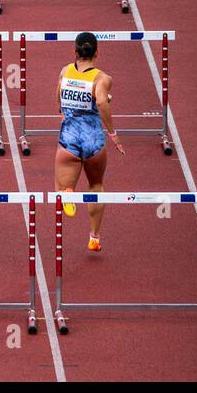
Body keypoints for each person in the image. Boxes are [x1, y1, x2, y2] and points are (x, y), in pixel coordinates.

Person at [53, 33, 126, 252]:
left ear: (75, 51)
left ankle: (67, 193)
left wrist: (64, 112)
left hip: (69, 138)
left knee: (61, 185)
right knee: (96, 186)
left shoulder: (65, 72)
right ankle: (94, 237)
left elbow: (58, 99)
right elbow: (101, 101)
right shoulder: (102, 78)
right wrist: (113, 134)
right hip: (93, 140)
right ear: (96, 52)